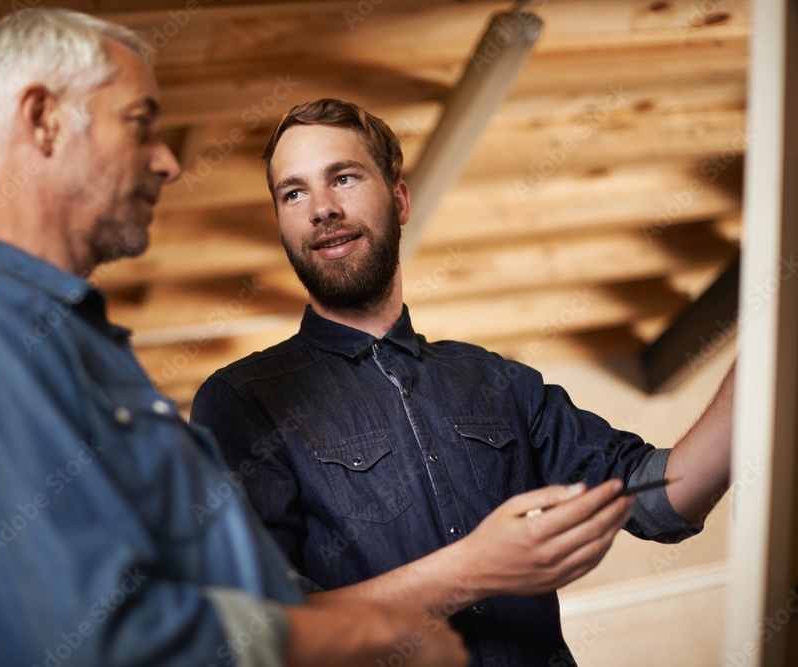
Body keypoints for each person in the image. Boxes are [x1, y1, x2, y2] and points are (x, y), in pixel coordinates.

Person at [0, 15, 469, 667]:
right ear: (44, 119)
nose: (169, 162)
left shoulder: (56, 341)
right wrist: (350, 635)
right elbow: (83, 641)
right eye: (139, 122)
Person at [190, 98, 735, 666]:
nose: (321, 209)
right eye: (293, 193)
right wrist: (473, 569)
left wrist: (764, 364)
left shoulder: (497, 381)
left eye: (344, 178)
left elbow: (662, 497)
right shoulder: (243, 402)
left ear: (399, 199)